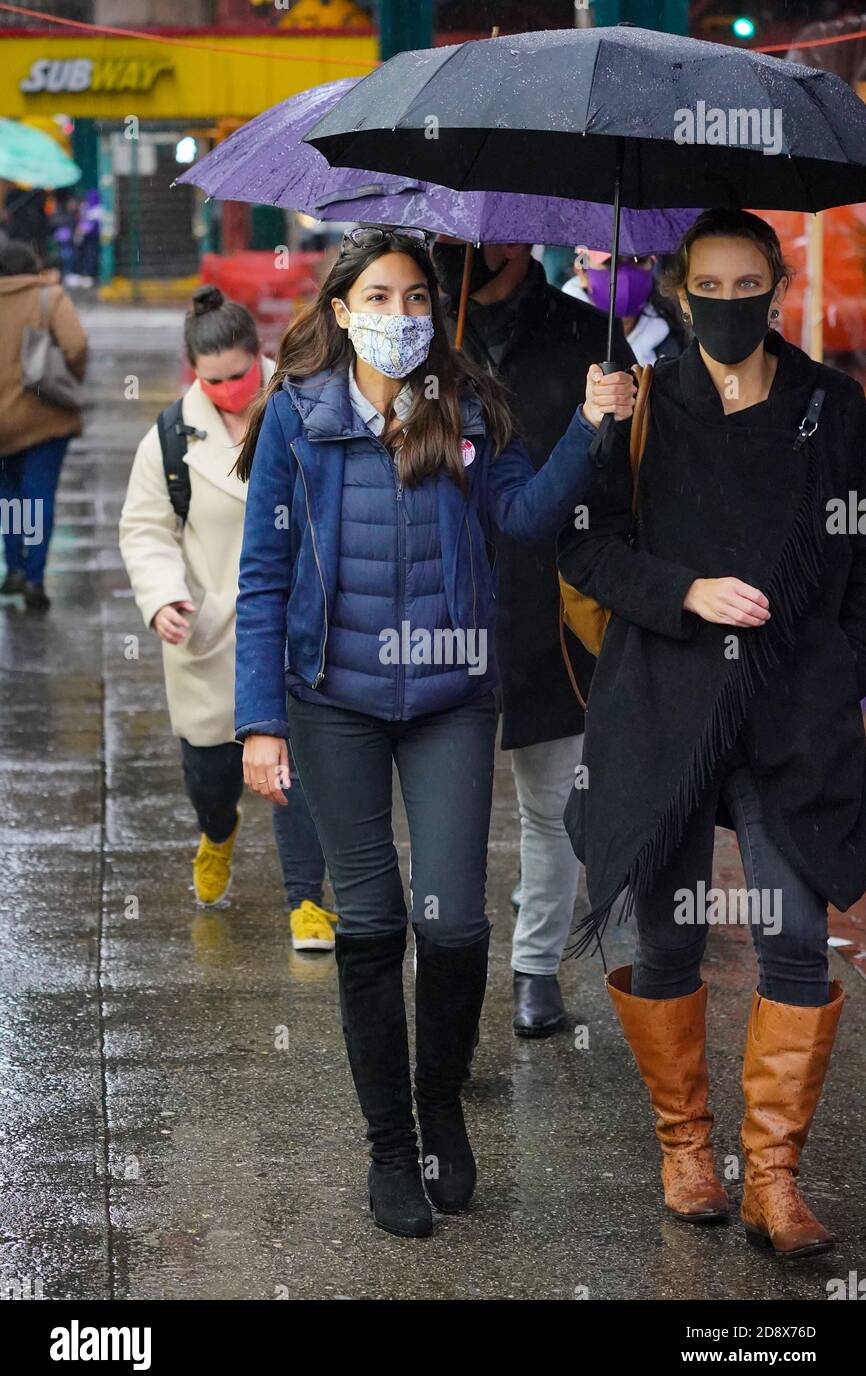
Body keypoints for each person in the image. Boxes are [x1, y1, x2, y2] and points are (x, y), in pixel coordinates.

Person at [233, 225, 635, 1239]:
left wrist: (589, 429)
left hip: (452, 695)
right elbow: (261, 576)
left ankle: (439, 1100)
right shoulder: (295, 417)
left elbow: (525, 520)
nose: (401, 316)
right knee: (369, 926)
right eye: (379, 296)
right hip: (334, 702)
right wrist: (258, 723)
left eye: (416, 299)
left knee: (452, 923)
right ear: (338, 309)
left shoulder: (464, 408)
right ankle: (386, 1148)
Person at [558, 207, 866, 1258]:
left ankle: (774, 1179)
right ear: (678, 293)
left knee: (790, 929)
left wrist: (846, 674)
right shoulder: (638, 404)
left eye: (749, 287)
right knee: (667, 936)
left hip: (791, 716)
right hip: (661, 708)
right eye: (711, 287)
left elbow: (859, 559)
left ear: (775, 289)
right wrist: (683, 589)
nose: (730, 305)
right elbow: (584, 551)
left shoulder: (833, 407)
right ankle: (685, 1148)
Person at [433, 237, 629, 1039]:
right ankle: (446, 987)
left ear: (524, 239)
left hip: (554, 605)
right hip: (442, 612)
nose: (466, 253)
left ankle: (536, 969)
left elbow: (617, 476)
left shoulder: (588, 336)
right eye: (448, 242)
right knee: (447, 813)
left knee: (552, 807)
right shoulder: (423, 337)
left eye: (483, 243)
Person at [119, 286, 336, 947]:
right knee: (213, 781)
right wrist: (161, 598)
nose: (226, 389)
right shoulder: (168, 438)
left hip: (295, 628)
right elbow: (146, 528)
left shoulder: (305, 406)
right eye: (209, 381)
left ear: (260, 355)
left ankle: (307, 902)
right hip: (208, 638)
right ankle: (218, 833)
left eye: (239, 375)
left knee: (296, 773)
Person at [0, 239, 87, 610]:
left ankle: (14, 567)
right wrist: (71, 379)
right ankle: (35, 577)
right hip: (44, 417)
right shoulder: (48, 297)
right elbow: (76, 344)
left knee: (8, 498)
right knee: (38, 496)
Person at [563, 249, 686, 365]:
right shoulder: (557, 334)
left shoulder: (678, 337)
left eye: (638, 260)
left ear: (652, 265)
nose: (625, 275)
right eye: (611, 262)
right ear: (582, 273)